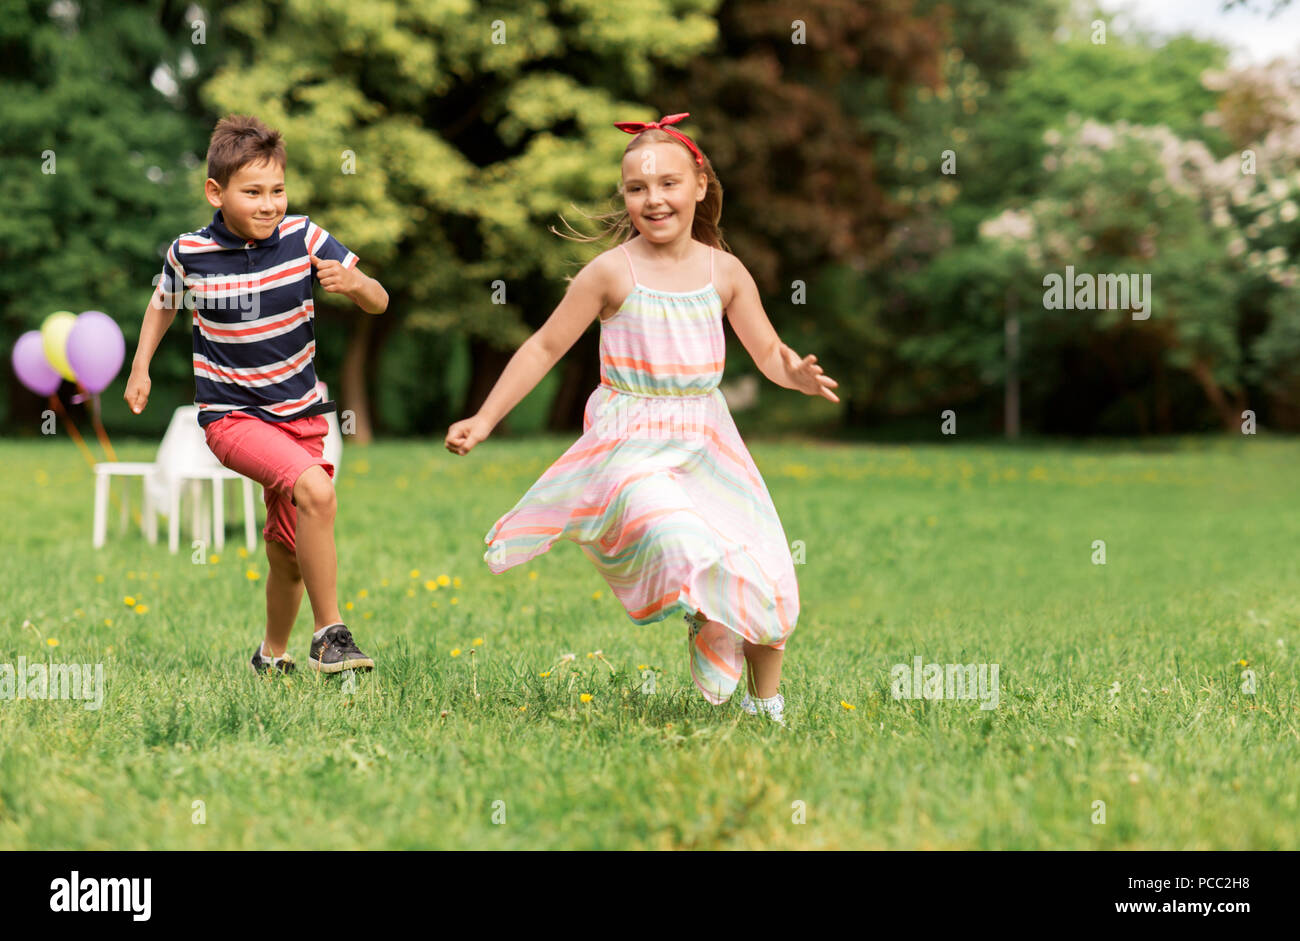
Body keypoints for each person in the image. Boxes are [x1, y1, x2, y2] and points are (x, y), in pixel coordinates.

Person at [445, 113, 839, 725]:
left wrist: (797, 375)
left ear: (700, 186)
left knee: (763, 563)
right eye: (636, 188)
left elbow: (769, 353)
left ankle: (768, 706)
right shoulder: (611, 273)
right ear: (625, 196)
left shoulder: (725, 273)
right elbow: (545, 347)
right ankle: (704, 611)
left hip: (708, 437)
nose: (653, 199)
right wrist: (487, 416)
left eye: (668, 184)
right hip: (629, 440)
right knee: (681, 536)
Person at [124, 114, 388, 677]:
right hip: (231, 419)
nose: (269, 205)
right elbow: (163, 303)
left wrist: (357, 285)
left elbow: (380, 300)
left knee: (289, 553)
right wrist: (140, 365)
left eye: (277, 191)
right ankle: (330, 635)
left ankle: (270, 656)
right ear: (216, 193)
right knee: (316, 490)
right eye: (253, 193)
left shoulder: (304, 238)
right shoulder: (189, 252)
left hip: (301, 417)